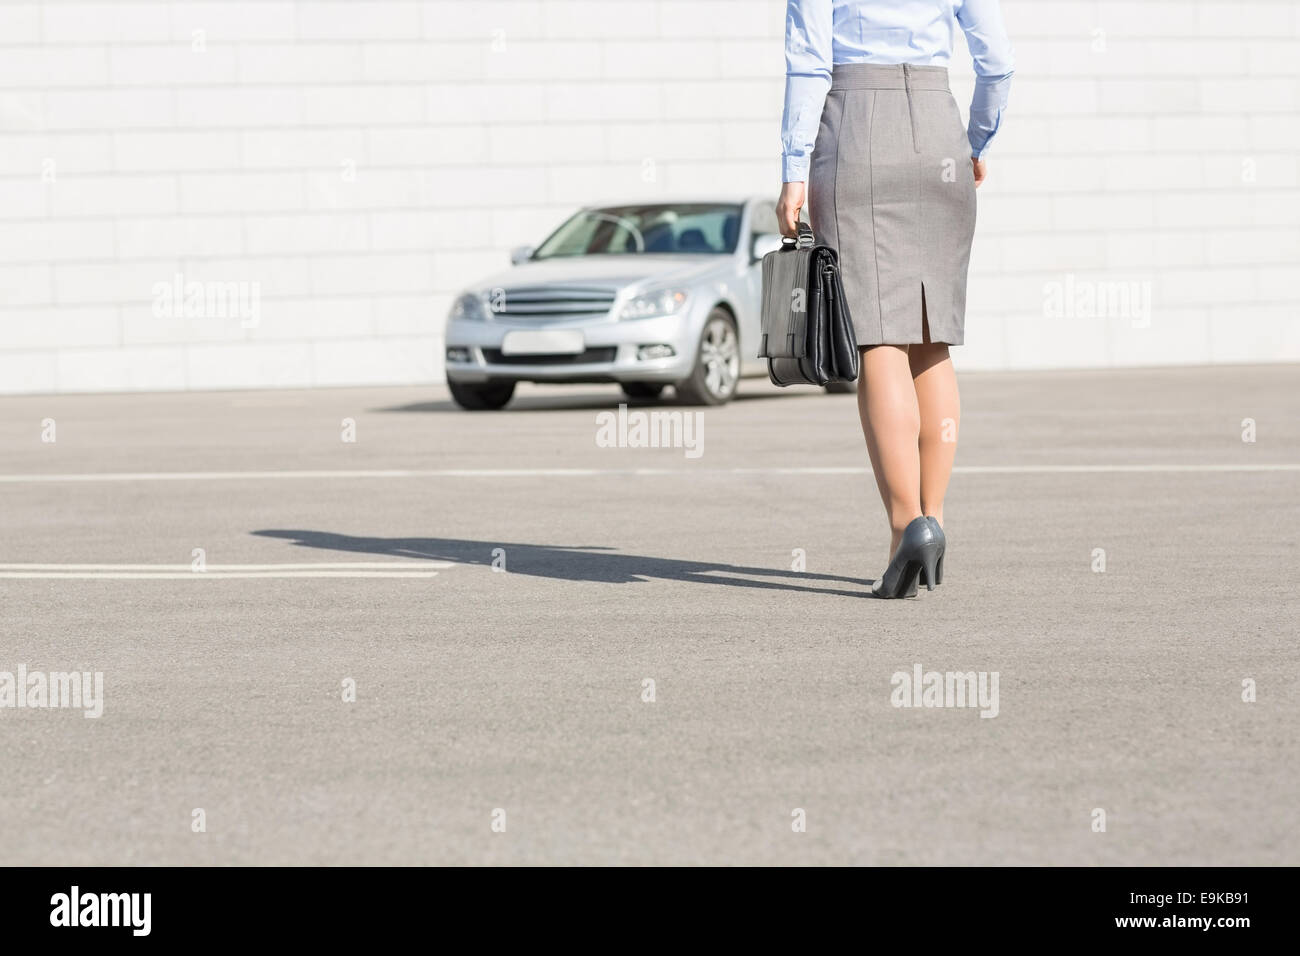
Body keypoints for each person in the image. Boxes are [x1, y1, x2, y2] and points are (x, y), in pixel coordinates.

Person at [776, 0, 1014, 598]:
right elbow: (998, 66)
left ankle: (905, 525)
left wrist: (792, 169)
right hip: (939, 124)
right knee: (933, 337)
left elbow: (808, 64)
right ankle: (932, 518)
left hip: (856, 127)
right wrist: (975, 142)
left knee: (878, 335)